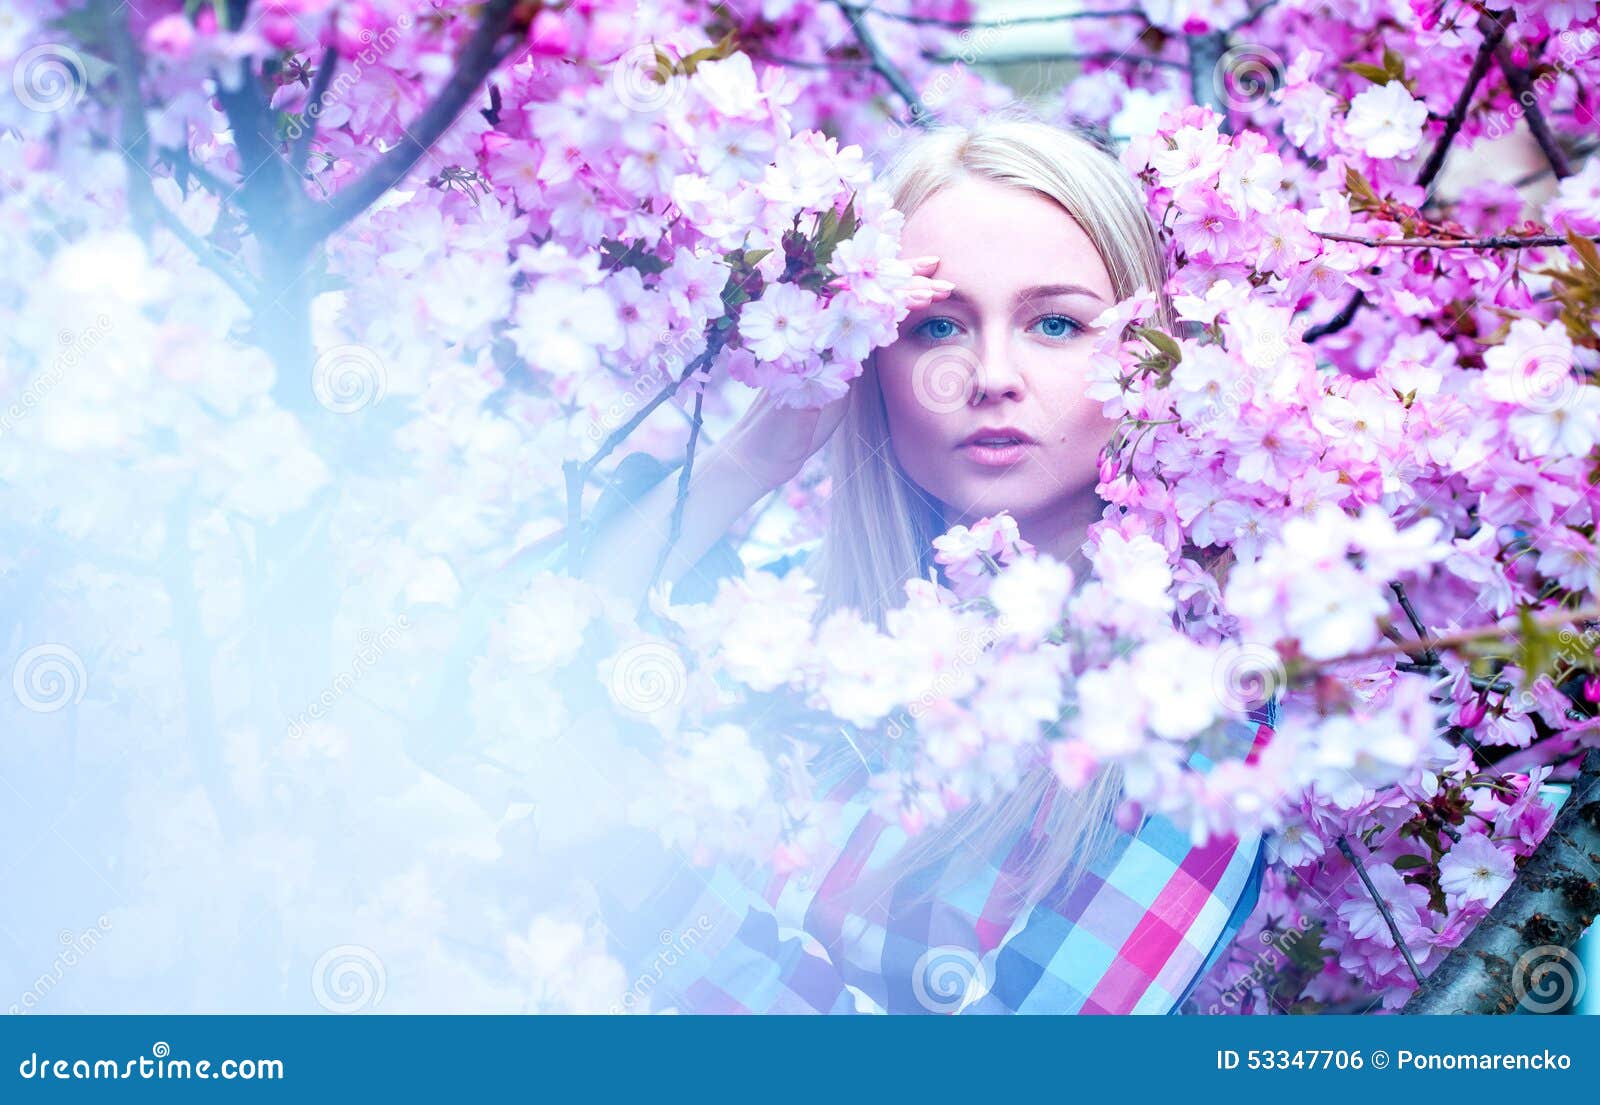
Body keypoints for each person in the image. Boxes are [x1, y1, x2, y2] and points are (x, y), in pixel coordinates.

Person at [576, 119, 1275, 1014]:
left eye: (1056, 323)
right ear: (868, 358)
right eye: (936, 326)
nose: (990, 375)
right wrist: (749, 462)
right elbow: (528, 662)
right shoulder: (783, 611)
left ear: (1149, 360)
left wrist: (651, 888)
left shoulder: (1200, 731)